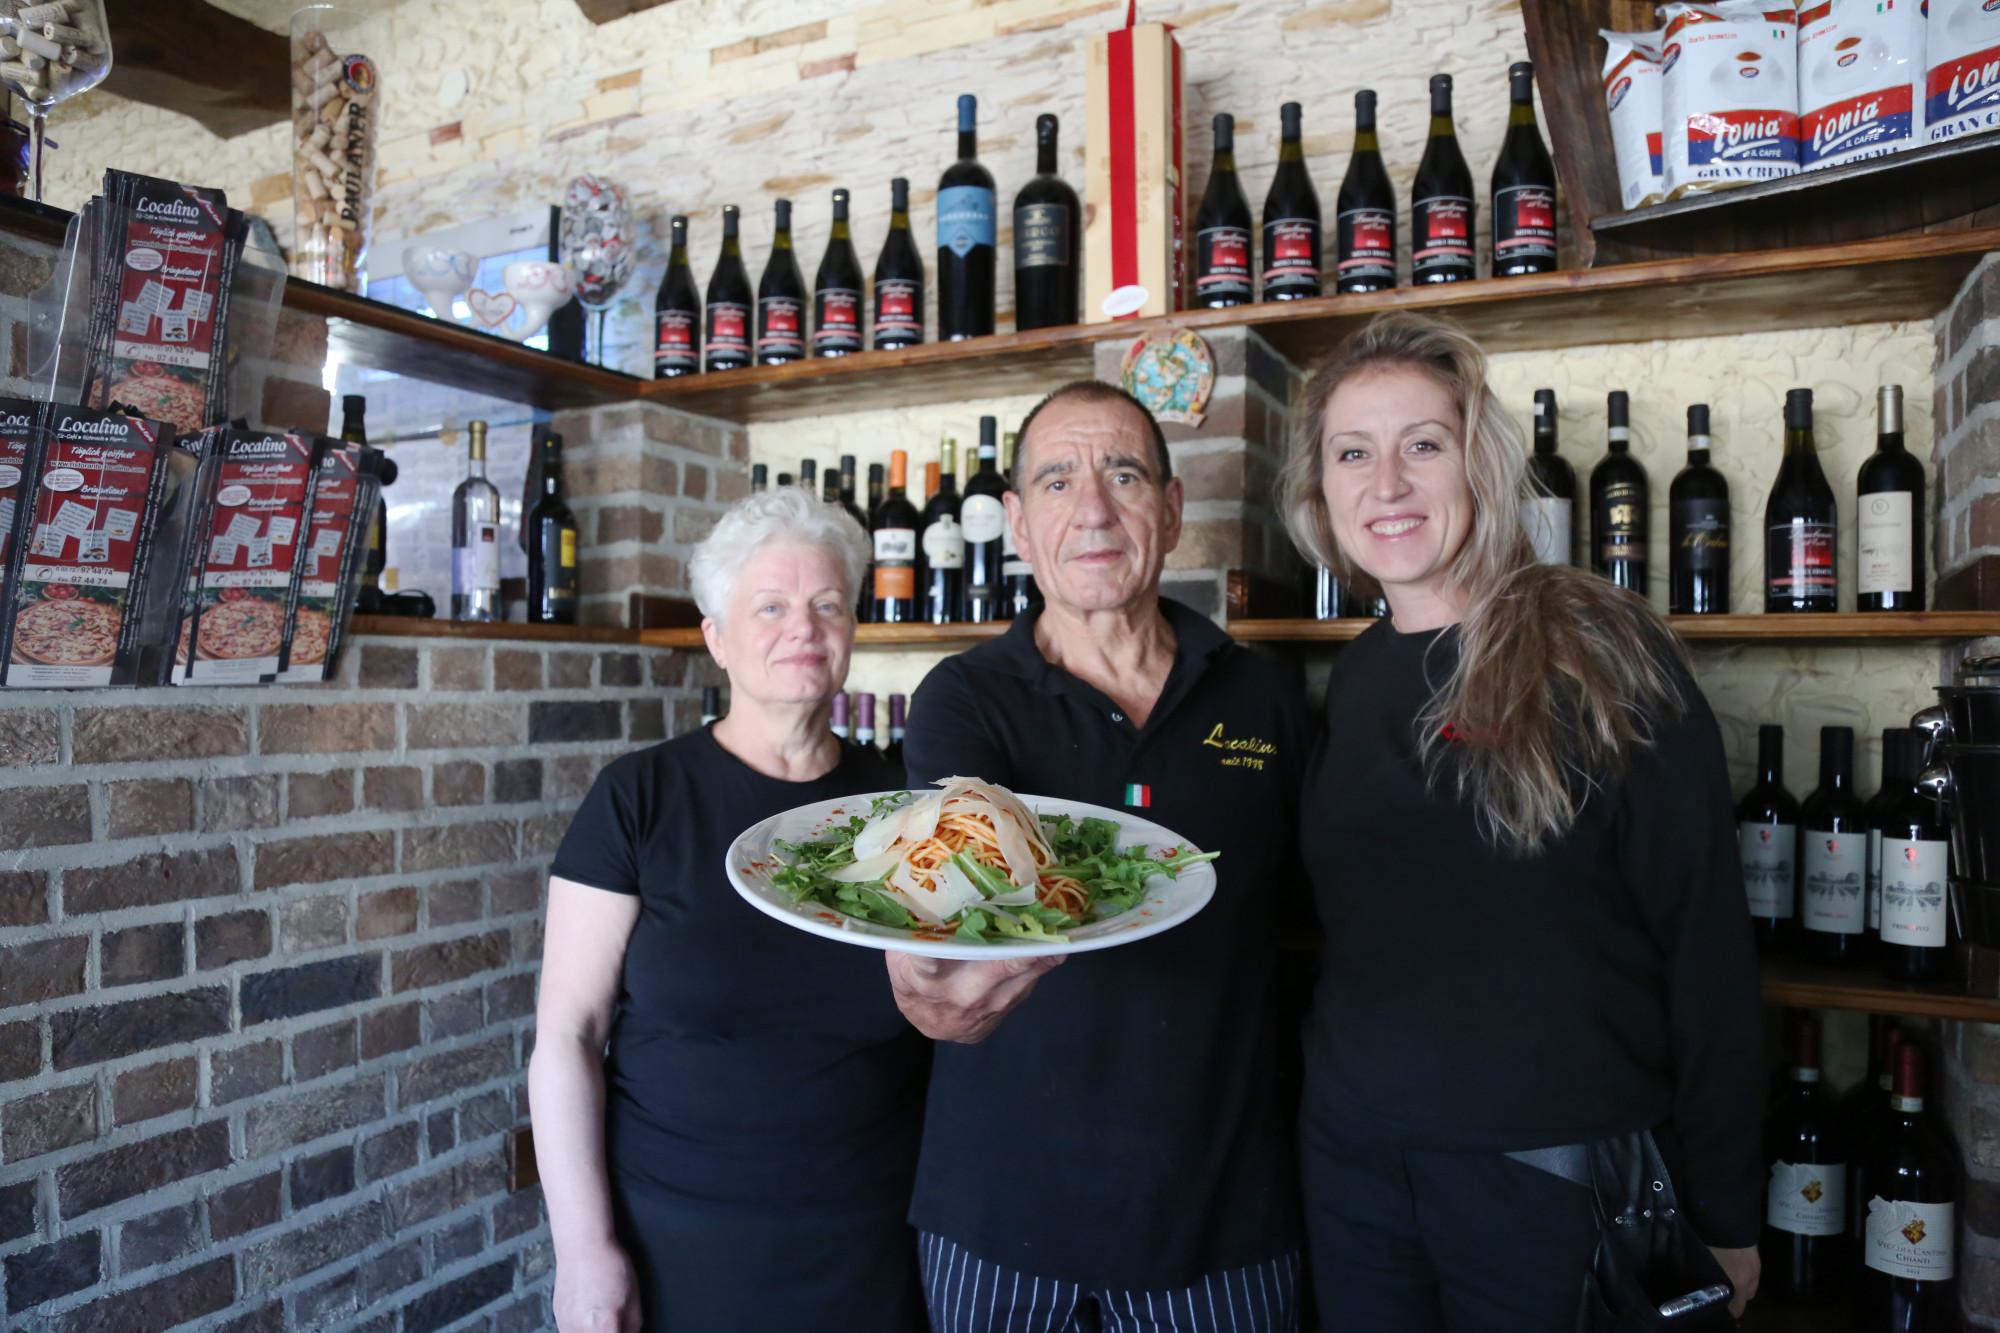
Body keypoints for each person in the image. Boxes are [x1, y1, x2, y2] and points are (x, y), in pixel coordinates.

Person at [1278, 312, 1763, 1332]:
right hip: (1354, 1165)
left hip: (1551, 1176)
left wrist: (1725, 1206)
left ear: (1478, 462)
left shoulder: (1593, 641)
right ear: (1318, 489)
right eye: (1351, 452)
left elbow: (1704, 936)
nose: (1387, 483)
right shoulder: (1356, 674)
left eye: (1423, 444)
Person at [891, 381, 1312, 1331]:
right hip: (999, 1219)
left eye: (1124, 474)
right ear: (1018, 524)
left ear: (1169, 510)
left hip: (1219, 1218)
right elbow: (951, 892)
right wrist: (924, 980)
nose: (1093, 509)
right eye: (1057, 481)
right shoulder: (964, 700)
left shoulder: (1261, 700)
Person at [530, 487, 929, 1333]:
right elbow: (567, 1033)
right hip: (676, 1241)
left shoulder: (901, 807)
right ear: (715, 636)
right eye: (771, 606)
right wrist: (583, 1249)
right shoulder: (640, 797)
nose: (805, 627)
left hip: (877, 1242)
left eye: (829, 604)